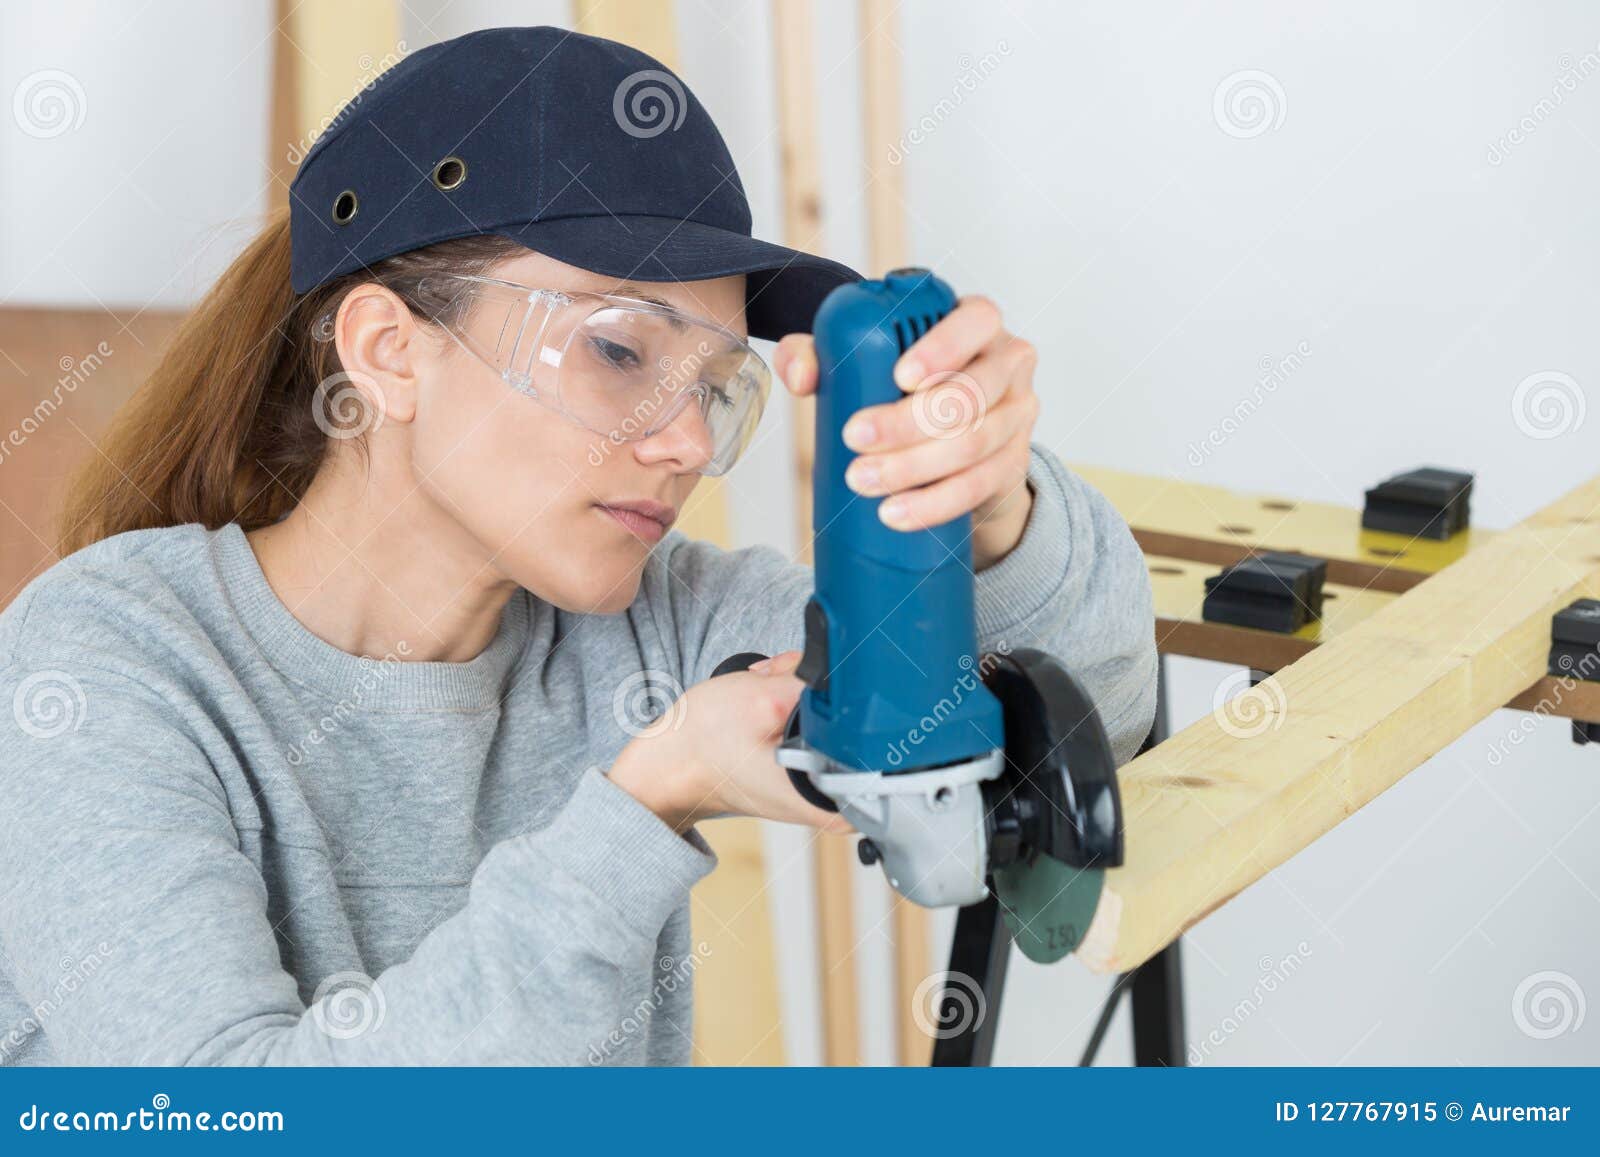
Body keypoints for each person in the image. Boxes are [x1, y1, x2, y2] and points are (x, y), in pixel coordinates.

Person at [0, 26, 1156, 1065]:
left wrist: (991, 507)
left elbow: (1088, 722)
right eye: (618, 350)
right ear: (388, 353)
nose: (692, 442)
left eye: (715, 383)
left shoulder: (654, 626)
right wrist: (645, 805)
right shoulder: (104, 666)